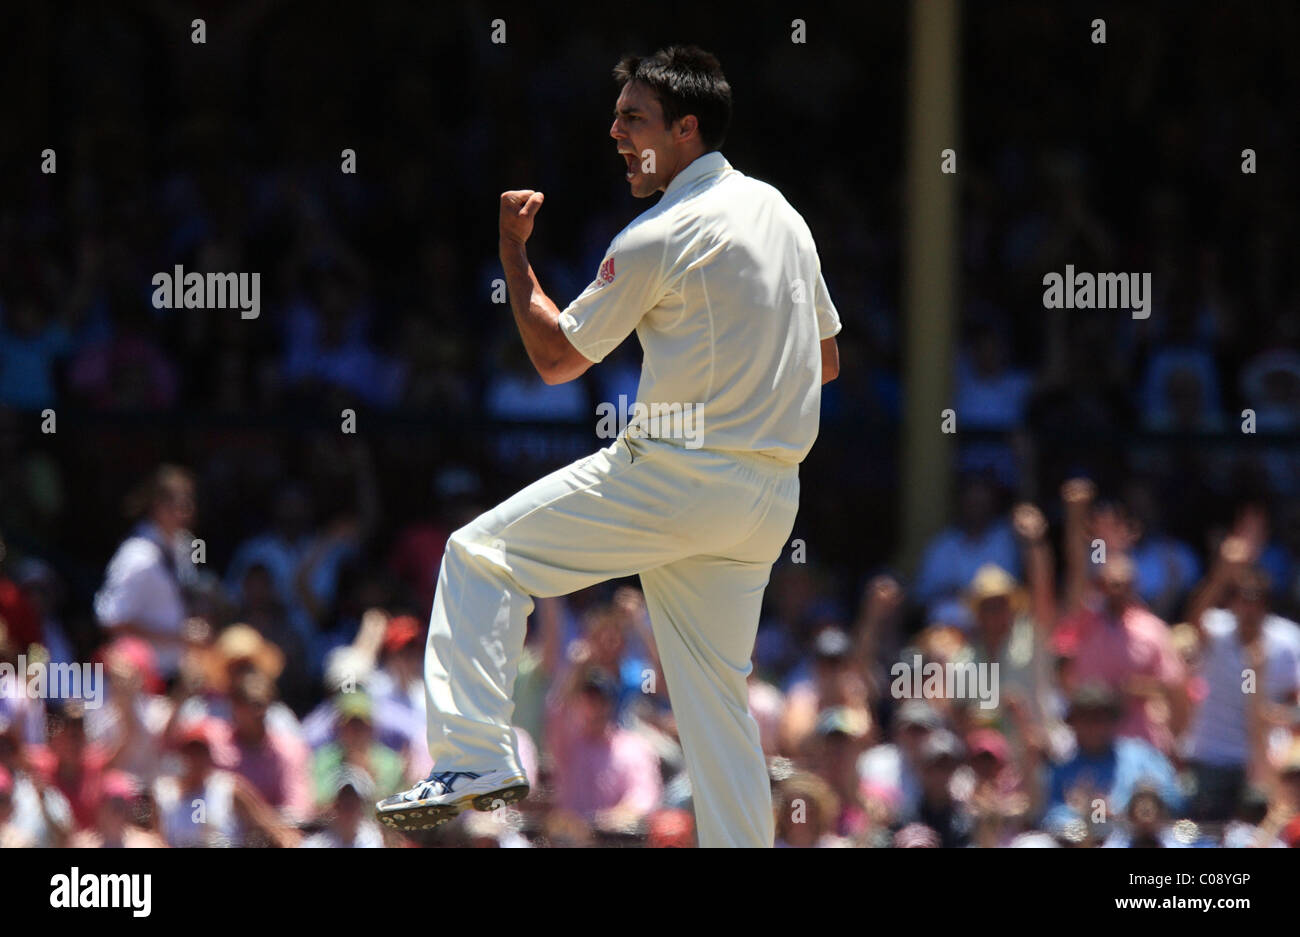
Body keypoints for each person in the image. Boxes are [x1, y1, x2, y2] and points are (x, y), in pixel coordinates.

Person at [377, 45, 841, 848]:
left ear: (686, 128)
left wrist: (515, 258)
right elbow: (828, 361)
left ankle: (473, 756)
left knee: (480, 554)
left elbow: (557, 359)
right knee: (718, 709)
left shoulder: (658, 231)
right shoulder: (784, 216)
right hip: (767, 500)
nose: (616, 132)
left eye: (635, 119)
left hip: (677, 475)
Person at [94, 465, 198, 682]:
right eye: (180, 505)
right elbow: (112, 620)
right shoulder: (136, 556)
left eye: (189, 504)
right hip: (141, 678)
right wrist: (175, 637)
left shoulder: (183, 546)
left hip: (178, 671)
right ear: (158, 506)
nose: (186, 513)